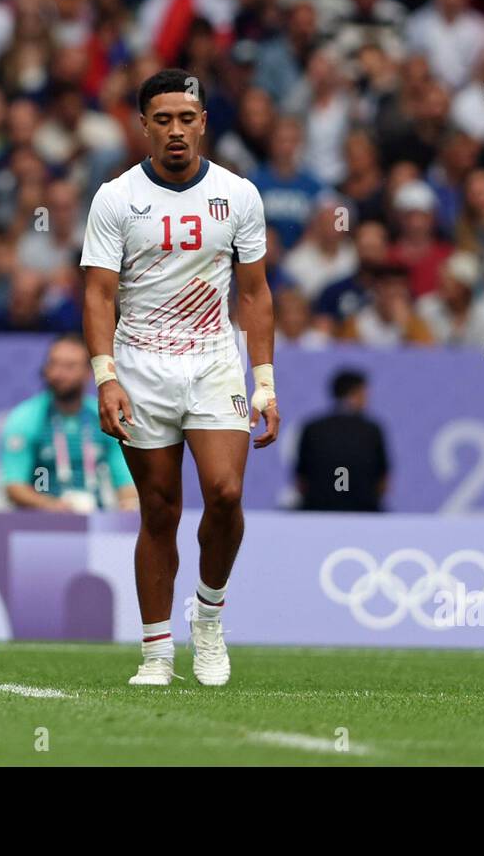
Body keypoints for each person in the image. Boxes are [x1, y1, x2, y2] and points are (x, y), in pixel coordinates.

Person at [80, 69, 279, 687]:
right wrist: (105, 376)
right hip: (140, 366)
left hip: (215, 362)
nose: (175, 130)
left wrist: (266, 381)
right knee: (159, 509)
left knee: (224, 493)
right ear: (143, 125)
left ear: (203, 123)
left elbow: (256, 293)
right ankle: (157, 651)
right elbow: (97, 296)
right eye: (162, 119)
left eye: (186, 118)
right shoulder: (115, 197)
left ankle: (210, 619)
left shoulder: (238, 195)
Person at [1, 334, 139, 513]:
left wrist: (128, 504)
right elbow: (14, 486)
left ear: (89, 373)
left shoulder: (104, 417)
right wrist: (53, 506)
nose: (58, 374)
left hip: (98, 521)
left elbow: (126, 483)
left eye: (69, 366)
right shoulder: (25, 418)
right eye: (53, 364)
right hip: (41, 522)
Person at [295, 369, 389, 512]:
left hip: (317, 509)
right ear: (356, 393)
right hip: (364, 510)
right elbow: (383, 482)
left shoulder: (312, 428)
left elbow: (301, 480)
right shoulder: (372, 429)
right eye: (365, 393)